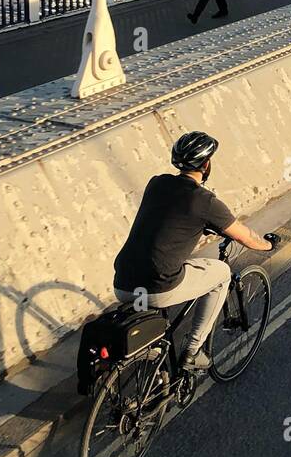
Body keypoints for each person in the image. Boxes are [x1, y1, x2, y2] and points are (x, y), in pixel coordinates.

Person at [113, 131, 277, 372]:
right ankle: (193, 351)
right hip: (159, 287)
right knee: (221, 273)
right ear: (206, 164)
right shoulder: (205, 202)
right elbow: (245, 237)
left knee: (167, 273)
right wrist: (269, 244)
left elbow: (169, 215)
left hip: (122, 283)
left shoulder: (156, 183)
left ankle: (155, 366)